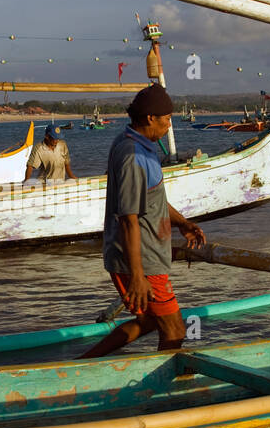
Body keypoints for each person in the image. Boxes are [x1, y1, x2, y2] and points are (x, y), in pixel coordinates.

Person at [82, 83, 205, 358]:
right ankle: (161, 393)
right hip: (142, 262)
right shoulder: (133, 156)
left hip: (144, 257)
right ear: (150, 118)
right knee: (174, 330)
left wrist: (182, 223)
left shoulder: (135, 144)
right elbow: (129, 219)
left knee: (149, 321)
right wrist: (138, 276)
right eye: (167, 119)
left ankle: (83, 364)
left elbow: (153, 200)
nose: (169, 126)